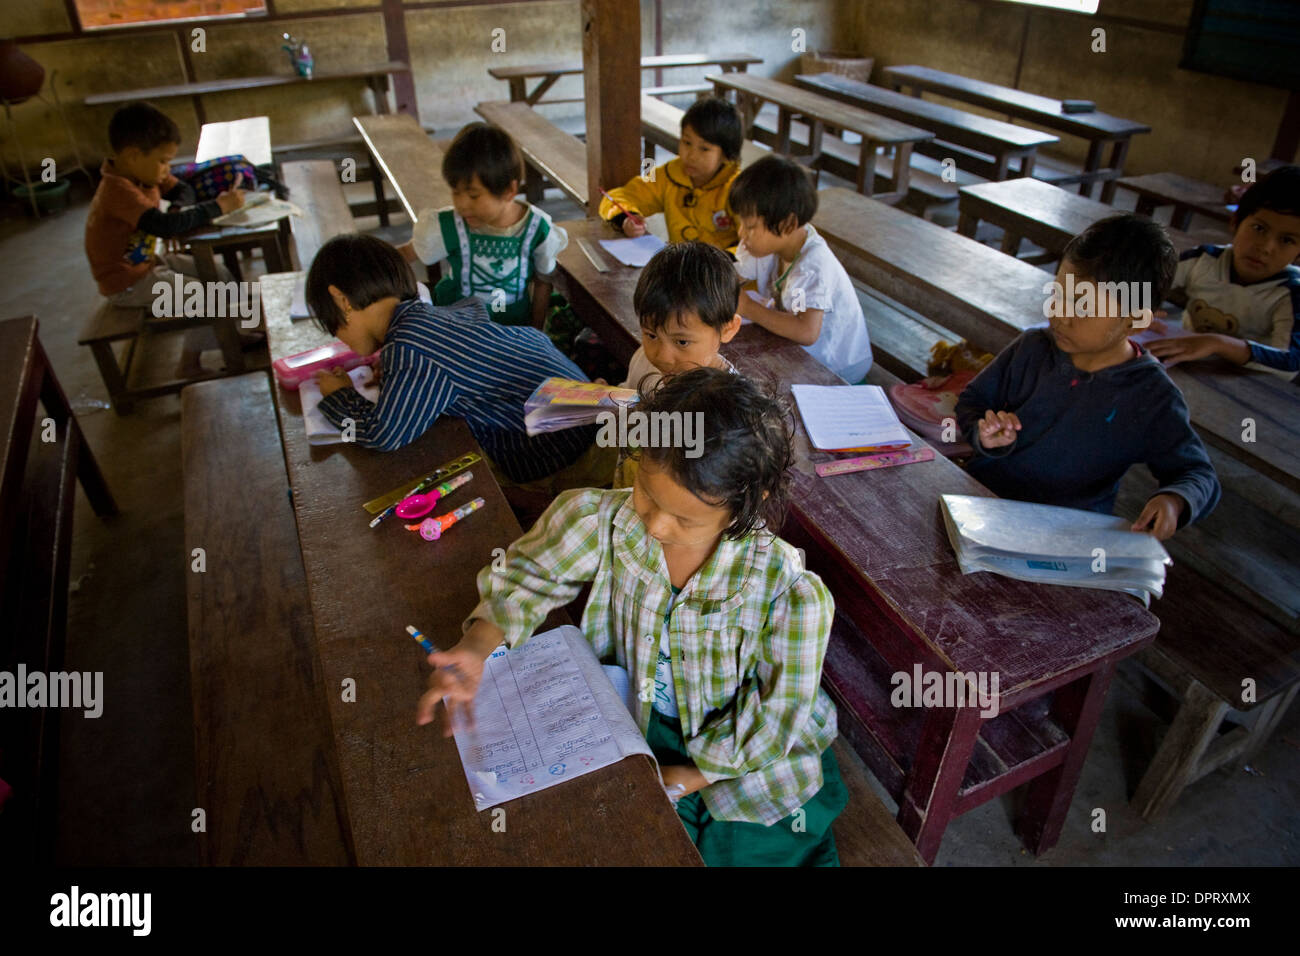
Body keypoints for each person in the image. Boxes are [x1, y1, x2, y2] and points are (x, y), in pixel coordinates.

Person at [417, 368, 848, 866]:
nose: (655, 524)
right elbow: (530, 576)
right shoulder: (600, 521)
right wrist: (478, 645)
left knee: (749, 845)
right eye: (646, 491)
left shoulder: (789, 593)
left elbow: (778, 714)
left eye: (685, 519)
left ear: (746, 506)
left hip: (743, 745)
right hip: (639, 717)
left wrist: (694, 775)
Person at [956, 214, 1220, 539]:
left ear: (1135, 321)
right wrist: (984, 433)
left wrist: (1175, 500)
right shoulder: (1032, 348)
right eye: (1058, 294)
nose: (1059, 314)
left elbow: (1197, 472)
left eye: (1083, 307)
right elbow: (973, 401)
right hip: (982, 501)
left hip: (1068, 532)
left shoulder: (1151, 397)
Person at [308, 234, 613, 502]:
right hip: (586, 419)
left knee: (446, 480)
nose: (340, 339)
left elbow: (386, 433)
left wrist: (340, 395)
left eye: (332, 325)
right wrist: (394, 372)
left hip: (567, 455)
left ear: (343, 301)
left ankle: (535, 508)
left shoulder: (412, 348)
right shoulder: (429, 320)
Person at [84, 102, 248, 377]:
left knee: (219, 273)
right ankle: (188, 364)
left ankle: (232, 335)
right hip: (126, 283)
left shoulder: (143, 174)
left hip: (148, 264)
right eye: (163, 161)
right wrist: (219, 207)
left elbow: (183, 190)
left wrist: (175, 209)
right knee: (208, 297)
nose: (166, 168)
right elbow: (163, 226)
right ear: (133, 155)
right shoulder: (118, 190)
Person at [398, 123, 568, 327]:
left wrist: (536, 330)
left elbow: (544, 280)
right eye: (455, 192)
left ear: (509, 191)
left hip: (511, 330)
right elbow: (405, 254)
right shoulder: (448, 225)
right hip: (456, 327)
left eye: (473, 195)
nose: (461, 204)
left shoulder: (537, 229)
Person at [730, 154, 873, 383]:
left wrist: (748, 307)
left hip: (836, 367)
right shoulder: (764, 244)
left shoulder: (812, 266)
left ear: (788, 224)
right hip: (796, 347)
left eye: (750, 227)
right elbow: (734, 278)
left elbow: (805, 332)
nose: (741, 234)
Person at [1146, 164, 1300, 376]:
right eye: (1259, 228)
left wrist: (1218, 343)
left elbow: (1291, 362)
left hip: (1246, 386)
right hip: (1182, 366)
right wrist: (1136, 309)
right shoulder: (1203, 259)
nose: (1265, 247)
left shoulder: (1291, 294)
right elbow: (1144, 282)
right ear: (1235, 222)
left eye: (1287, 240)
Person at [612, 241, 743, 487]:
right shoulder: (644, 358)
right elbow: (631, 398)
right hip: (631, 487)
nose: (662, 355)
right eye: (651, 335)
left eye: (681, 342)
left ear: (728, 329)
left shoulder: (731, 406)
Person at [597, 97, 743, 248]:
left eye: (704, 149)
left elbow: (752, 244)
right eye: (687, 143)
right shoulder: (668, 176)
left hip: (726, 268)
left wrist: (721, 262)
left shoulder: (738, 190)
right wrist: (627, 219)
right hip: (679, 265)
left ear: (726, 154)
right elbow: (618, 196)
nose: (691, 156)